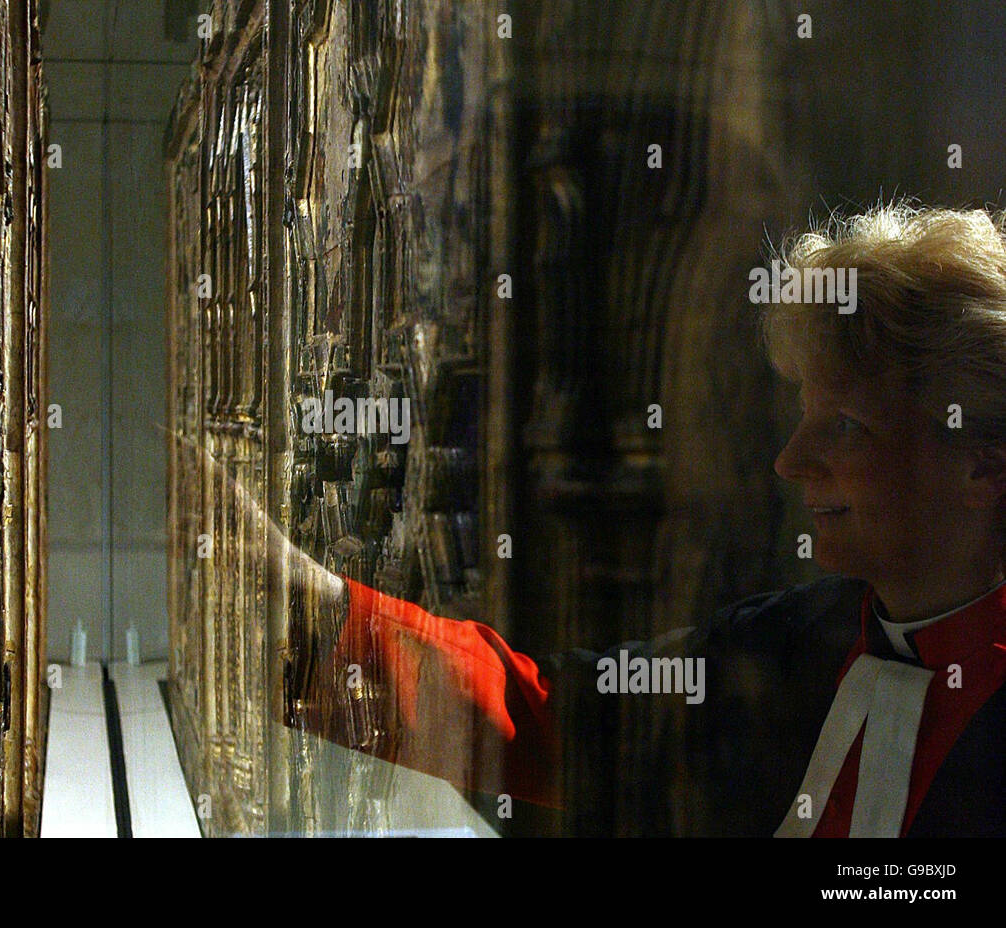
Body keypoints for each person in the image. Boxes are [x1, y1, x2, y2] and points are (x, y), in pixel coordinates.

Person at [216, 202, 1006, 836]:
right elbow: (552, 718)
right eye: (804, 415)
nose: (791, 461)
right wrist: (313, 604)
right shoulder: (791, 644)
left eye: (845, 427)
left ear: (982, 463)